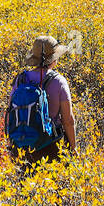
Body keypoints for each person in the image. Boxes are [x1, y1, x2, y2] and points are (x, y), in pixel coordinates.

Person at [11, 35, 77, 165]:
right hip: (51, 146)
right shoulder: (59, 81)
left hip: (22, 147)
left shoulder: (20, 79)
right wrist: (73, 148)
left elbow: (10, 112)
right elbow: (68, 120)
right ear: (53, 58)